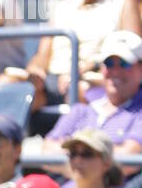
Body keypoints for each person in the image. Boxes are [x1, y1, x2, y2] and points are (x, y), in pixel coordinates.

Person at [18, 0, 117, 110]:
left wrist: (80, 71)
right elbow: (43, 55)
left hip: (91, 79)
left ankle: (74, 134)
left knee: (78, 90)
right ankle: (1, 136)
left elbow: (129, 52)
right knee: (12, 87)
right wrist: (34, 70)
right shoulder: (61, 8)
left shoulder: (119, 2)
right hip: (53, 79)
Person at [44, 30, 142, 172]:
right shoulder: (81, 109)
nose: (115, 71)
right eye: (109, 63)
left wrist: (73, 151)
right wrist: (101, 155)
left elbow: (129, 159)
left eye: (124, 64)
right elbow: (46, 152)